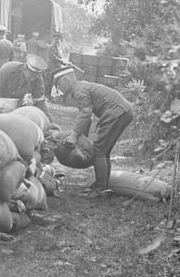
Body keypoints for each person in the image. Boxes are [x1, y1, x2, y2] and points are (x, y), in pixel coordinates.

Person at [52, 67, 134, 198]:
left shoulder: (78, 90)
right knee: (104, 152)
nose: (59, 89)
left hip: (117, 112)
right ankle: (102, 185)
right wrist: (81, 138)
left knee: (99, 151)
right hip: (122, 111)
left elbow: (85, 114)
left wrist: (74, 135)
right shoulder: (80, 86)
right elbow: (88, 117)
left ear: (66, 80)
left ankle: (100, 189)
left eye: (59, 85)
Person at [0, 53, 54, 122]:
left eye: (36, 76)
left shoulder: (38, 79)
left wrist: (50, 121)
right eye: (31, 75)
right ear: (25, 69)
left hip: (14, 107)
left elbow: (40, 102)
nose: (33, 79)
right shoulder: (8, 69)